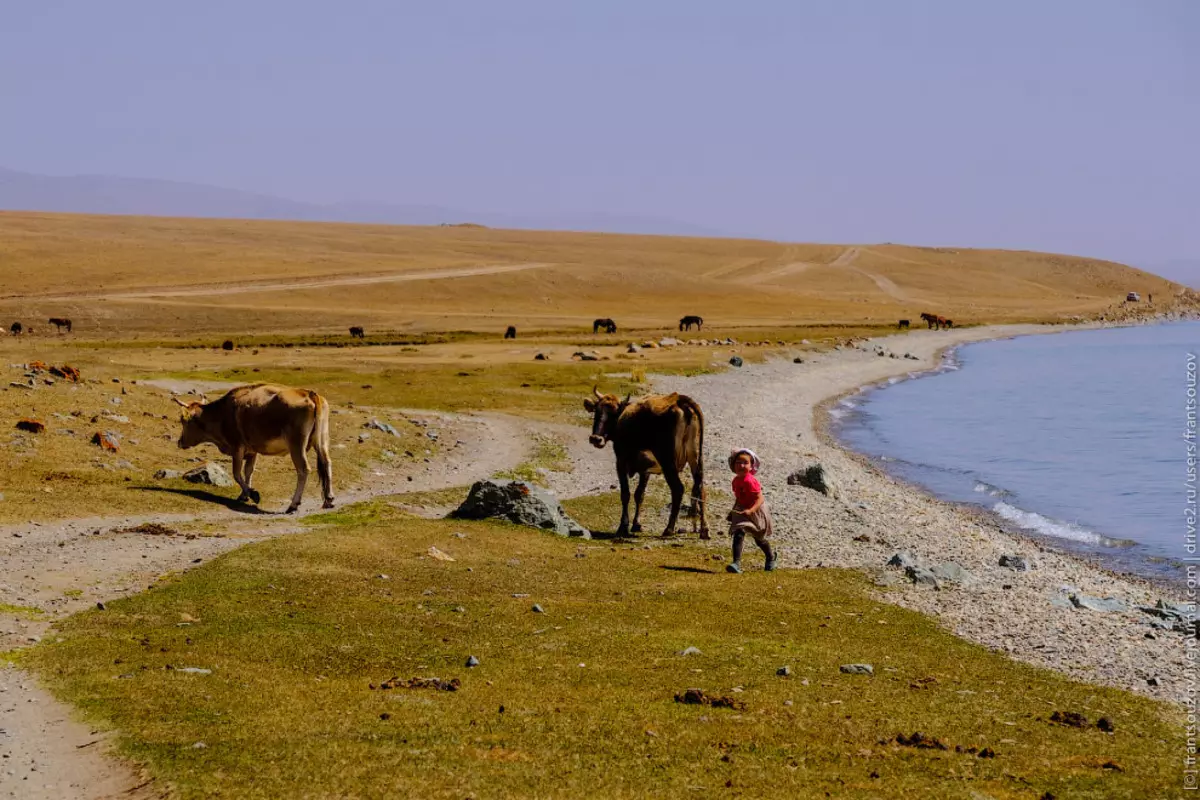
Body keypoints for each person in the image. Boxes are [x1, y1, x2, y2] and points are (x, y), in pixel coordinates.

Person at [725, 448, 776, 573]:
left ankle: (770, 556)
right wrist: (733, 511)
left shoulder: (750, 481)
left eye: (745, 463)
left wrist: (751, 510)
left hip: (756, 511)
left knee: (759, 539)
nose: (741, 466)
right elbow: (739, 497)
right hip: (742, 509)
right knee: (739, 531)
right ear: (733, 465)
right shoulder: (736, 481)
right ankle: (736, 563)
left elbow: (760, 498)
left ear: (751, 466)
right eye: (738, 462)